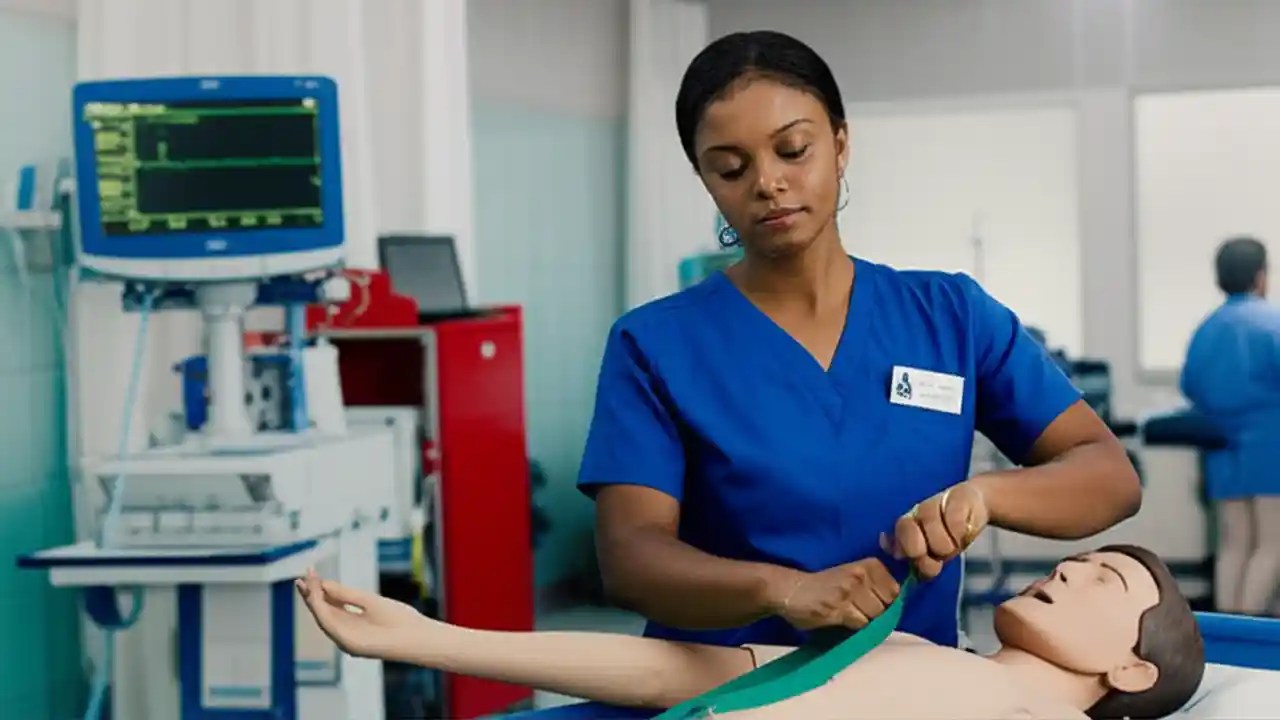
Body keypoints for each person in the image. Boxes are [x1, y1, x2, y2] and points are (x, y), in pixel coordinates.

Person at [577, 28, 1141, 651]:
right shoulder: (654, 345)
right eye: (732, 167)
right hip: (729, 694)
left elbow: (1108, 475)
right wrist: (781, 590)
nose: (767, 182)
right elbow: (631, 556)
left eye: (793, 150)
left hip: (911, 688)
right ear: (705, 178)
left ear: (841, 145)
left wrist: (986, 495)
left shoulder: (950, 316)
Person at [296, 544, 1204, 720]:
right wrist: (426, 638)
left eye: (1105, 581)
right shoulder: (903, 650)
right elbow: (671, 672)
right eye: (1074, 560)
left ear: (1129, 672)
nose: (1066, 570)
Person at [1181, 236, 1280, 616]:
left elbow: (1190, 385)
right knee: (1271, 543)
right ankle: (1247, 631)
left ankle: (1224, 636)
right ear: (1261, 276)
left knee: (1233, 544)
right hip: (1270, 444)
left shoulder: (1207, 329)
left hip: (1222, 447)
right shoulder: (1270, 323)